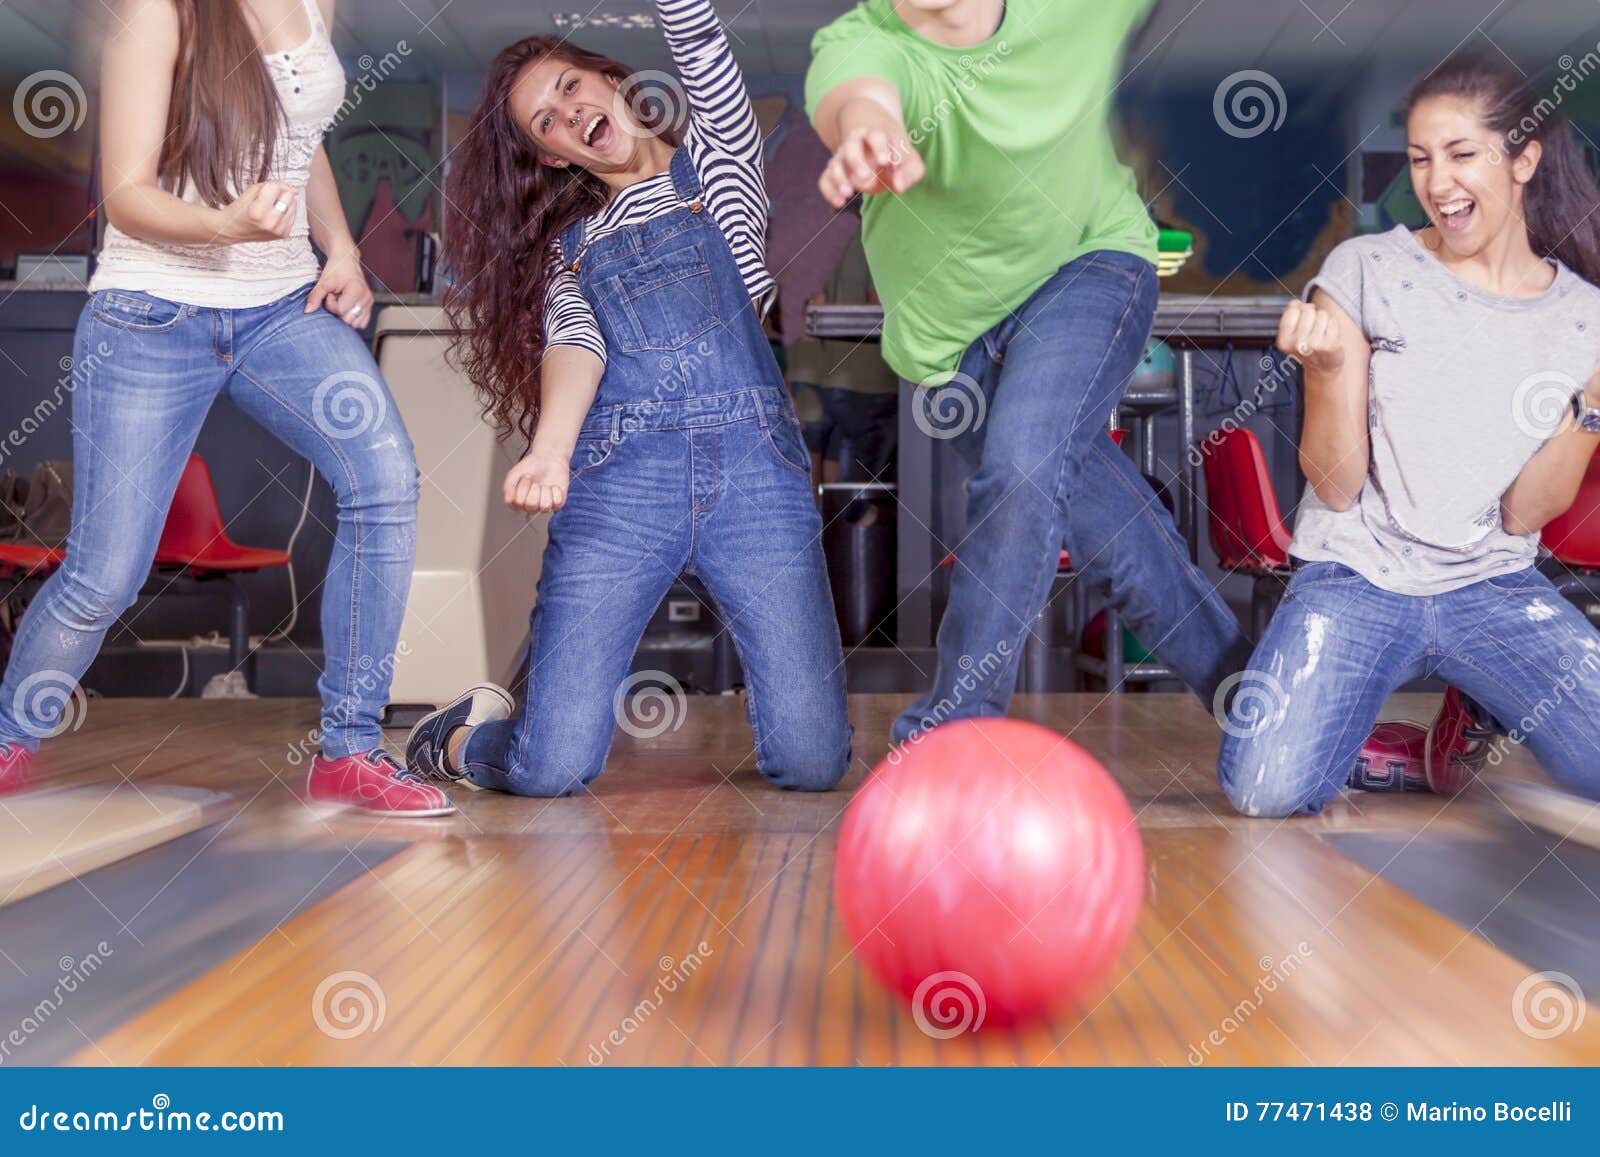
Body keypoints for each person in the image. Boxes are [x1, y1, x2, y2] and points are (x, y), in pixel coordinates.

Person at [0, 0, 445, 815]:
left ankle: (348, 750)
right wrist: (223, 225)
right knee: (107, 572)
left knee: (384, 478)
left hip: (279, 310)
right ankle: (7, 738)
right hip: (150, 314)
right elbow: (128, 194)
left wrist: (339, 249)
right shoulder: (157, 10)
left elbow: (295, 140)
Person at [409, 0, 852, 797]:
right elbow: (575, 345)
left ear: (615, 80)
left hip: (757, 476)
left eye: (573, 86)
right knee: (549, 769)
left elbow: (705, 55)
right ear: (549, 157)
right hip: (623, 483)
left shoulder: (717, 173)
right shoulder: (572, 251)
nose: (570, 113)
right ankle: (460, 740)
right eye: (546, 121)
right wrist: (550, 449)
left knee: (815, 763)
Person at [805, 0, 1254, 744]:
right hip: (952, 347)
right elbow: (859, 93)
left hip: (1090, 262)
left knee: (1023, 470)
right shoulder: (865, 40)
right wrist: (866, 133)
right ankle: (1256, 700)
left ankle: (953, 728)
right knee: (1109, 525)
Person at [1219, 55, 1600, 816]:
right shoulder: (1366, 268)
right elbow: (1334, 483)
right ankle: (1364, 735)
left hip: (1495, 586)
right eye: (1422, 158)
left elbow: (1527, 515)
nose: (1438, 182)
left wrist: (1593, 402)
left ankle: (1473, 710)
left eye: (1462, 155)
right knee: (1266, 790)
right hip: (1357, 577)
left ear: (1524, 158)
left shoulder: (1584, 317)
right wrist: (1328, 370)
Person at [786, 232, 900, 484]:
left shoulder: (823, 244)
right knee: (864, 476)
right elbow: (880, 306)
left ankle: (832, 519)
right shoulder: (874, 239)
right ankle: (857, 515)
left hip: (825, 375)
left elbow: (811, 310)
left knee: (820, 456)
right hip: (871, 380)